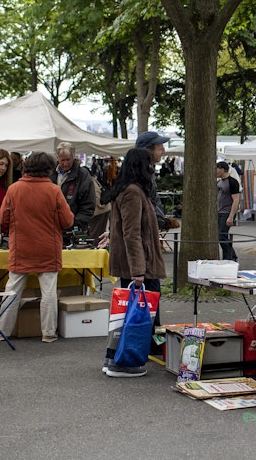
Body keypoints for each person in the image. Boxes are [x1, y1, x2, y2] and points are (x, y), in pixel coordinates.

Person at [0, 152, 74, 344]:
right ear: (47, 168)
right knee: (48, 292)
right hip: (48, 247)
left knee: (12, 290)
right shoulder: (54, 190)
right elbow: (67, 221)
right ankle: (48, 332)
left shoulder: (14, 189)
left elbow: (2, 219)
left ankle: (2, 330)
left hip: (21, 246)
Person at [103, 147, 167, 378]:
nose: (153, 167)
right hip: (141, 265)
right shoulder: (132, 192)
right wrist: (138, 271)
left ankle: (115, 358)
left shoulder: (129, 190)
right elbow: (132, 233)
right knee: (135, 317)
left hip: (139, 263)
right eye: (150, 163)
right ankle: (123, 362)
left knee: (126, 316)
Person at [135, 131, 179, 231]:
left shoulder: (147, 172)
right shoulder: (140, 176)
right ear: (148, 150)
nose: (163, 151)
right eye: (160, 149)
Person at [55, 142, 96, 232]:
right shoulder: (51, 174)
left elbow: (88, 205)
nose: (65, 164)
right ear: (57, 158)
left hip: (74, 228)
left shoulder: (83, 175)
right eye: (62, 160)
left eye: (68, 160)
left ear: (73, 157)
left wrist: (73, 223)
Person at [216, 161, 241, 261]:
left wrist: (231, 216)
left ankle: (231, 257)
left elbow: (236, 199)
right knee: (221, 236)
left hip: (226, 212)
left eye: (217, 169)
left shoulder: (232, 182)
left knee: (222, 235)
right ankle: (227, 257)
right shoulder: (219, 182)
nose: (216, 171)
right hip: (219, 211)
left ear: (222, 169)